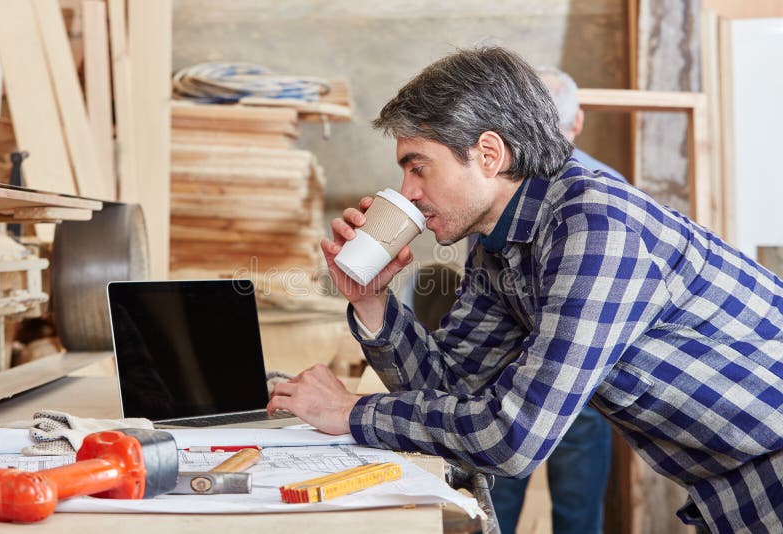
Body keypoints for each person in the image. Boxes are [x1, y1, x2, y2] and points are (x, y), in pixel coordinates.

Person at [267, 46, 783, 533]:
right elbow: (450, 387)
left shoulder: (595, 227)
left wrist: (350, 412)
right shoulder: (500, 245)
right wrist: (372, 300)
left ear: (489, 154)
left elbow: (513, 436)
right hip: (728, 489)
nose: (409, 193)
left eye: (418, 168)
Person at [487, 66, 623, 534]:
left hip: (528, 375)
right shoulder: (613, 184)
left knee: (501, 507)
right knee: (575, 512)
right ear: (577, 121)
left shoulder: (504, 189)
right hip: (574, 378)